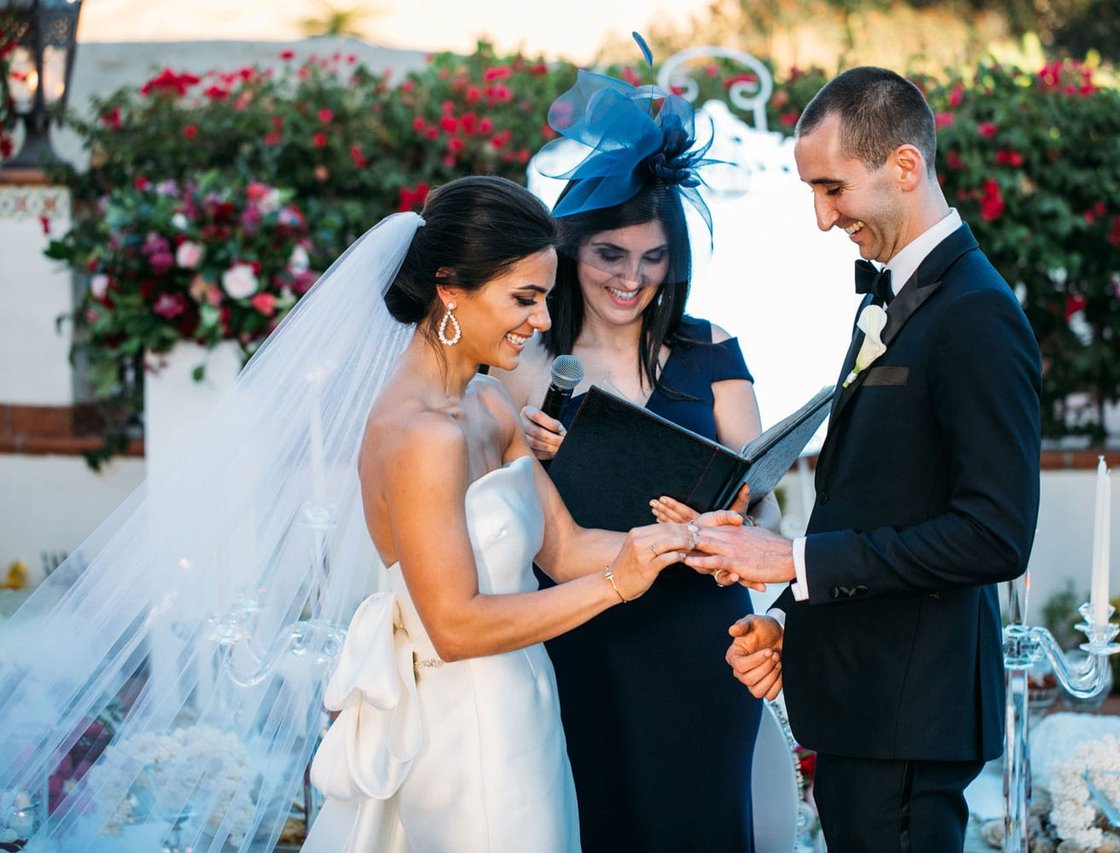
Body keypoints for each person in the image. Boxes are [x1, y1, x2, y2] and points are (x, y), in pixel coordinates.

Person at [0, 177, 708, 852]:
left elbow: (567, 544)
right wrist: (617, 583)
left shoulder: (488, 404)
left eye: (546, 296)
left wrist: (692, 536)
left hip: (524, 701)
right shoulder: (419, 434)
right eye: (525, 297)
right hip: (467, 726)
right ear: (450, 290)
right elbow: (455, 625)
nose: (544, 320)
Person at [685, 67, 1042, 852]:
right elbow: (873, 503)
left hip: (910, 720)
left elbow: (995, 534)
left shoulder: (978, 315)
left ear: (905, 168)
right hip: (869, 708)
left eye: (832, 188)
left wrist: (790, 558)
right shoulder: (893, 298)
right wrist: (791, 619)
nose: (821, 218)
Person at [493, 68, 779, 852]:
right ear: (569, 250)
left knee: (705, 825)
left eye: (653, 258)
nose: (630, 278)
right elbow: (493, 499)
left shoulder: (714, 349)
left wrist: (739, 506)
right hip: (579, 629)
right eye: (610, 254)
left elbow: (760, 488)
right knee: (595, 822)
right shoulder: (525, 362)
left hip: (699, 634)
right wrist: (526, 447)